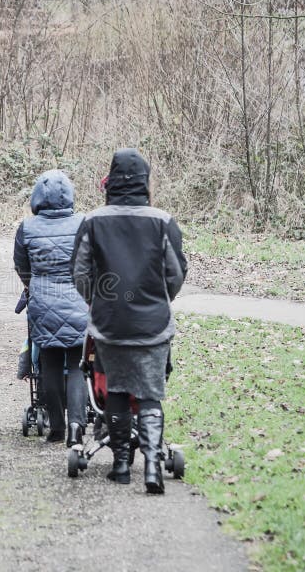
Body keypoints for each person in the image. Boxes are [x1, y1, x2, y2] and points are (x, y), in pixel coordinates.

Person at [71, 149, 187, 494]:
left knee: (117, 391)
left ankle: (122, 464)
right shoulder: (163, 221)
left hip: (109, 324)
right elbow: (175, 273)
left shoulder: (93, 221)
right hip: (153, 325)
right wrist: (158, 299)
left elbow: (79, 273)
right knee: (150, 394)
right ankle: (153, 466)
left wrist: (98, 299)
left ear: (111, 180)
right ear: (144, 182)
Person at [14, 170, 88, 446]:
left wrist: (34, 286)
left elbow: (21, 265)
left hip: (43, 303)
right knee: (79, 366)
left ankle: (57, 429)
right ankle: (77, 428)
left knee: (51, 364)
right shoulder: (83, 223)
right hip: (80, 300)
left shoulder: (27, 227)